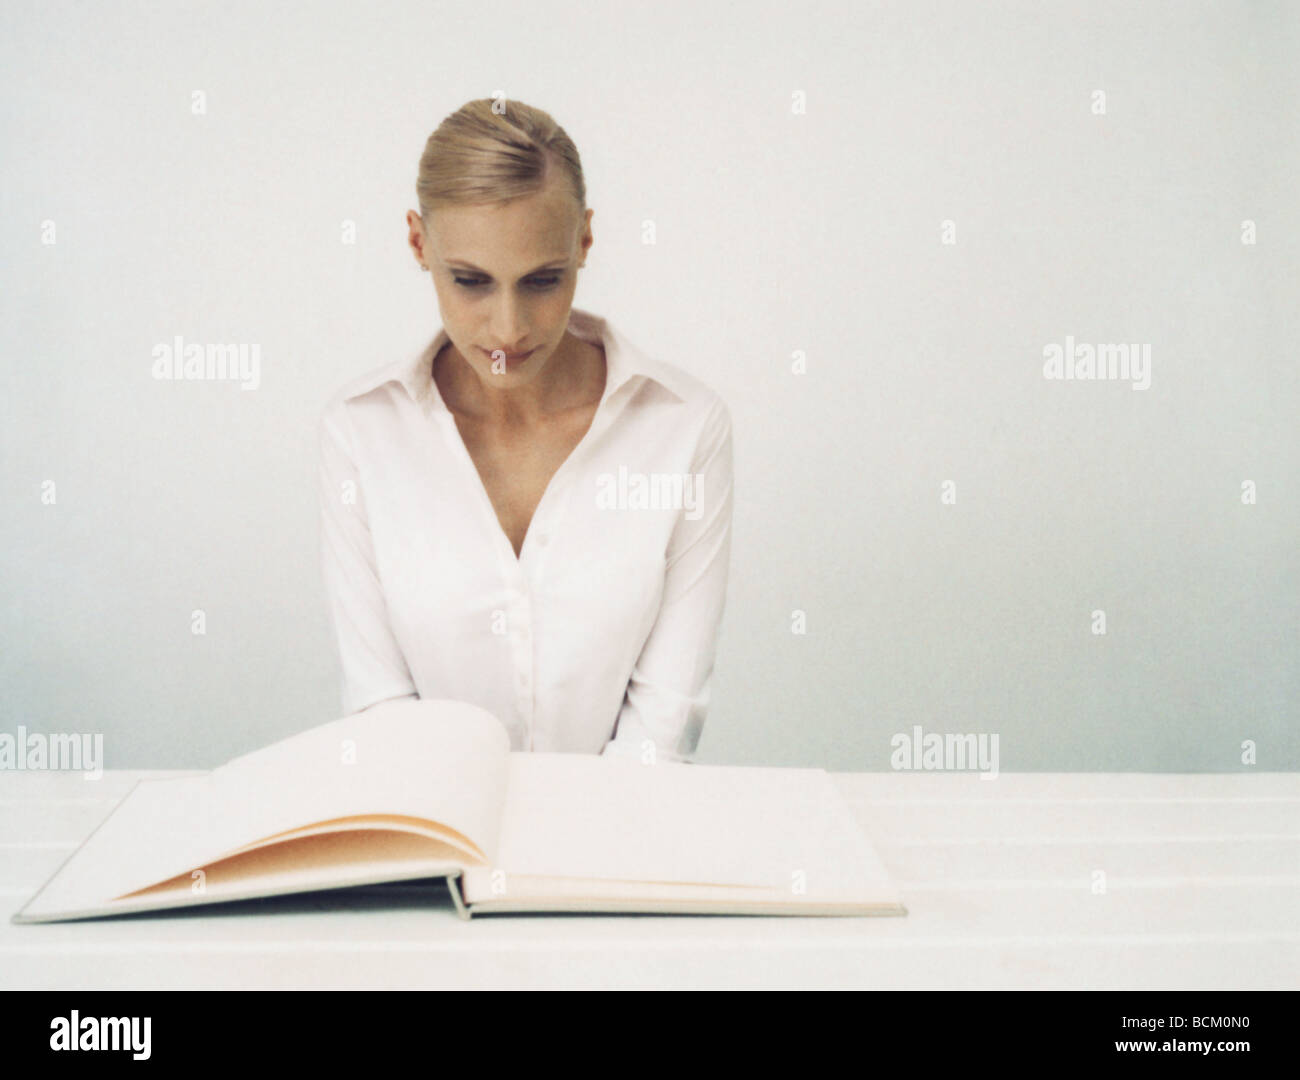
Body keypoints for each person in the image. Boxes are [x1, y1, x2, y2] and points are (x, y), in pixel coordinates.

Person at [318, 98, 733, 763]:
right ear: (418, 244)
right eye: (471, 282)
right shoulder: (361, 432)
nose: (509, 328)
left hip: (620, 839)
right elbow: (381, 713)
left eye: (543, 280)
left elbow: (662, 727)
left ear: (585, 242)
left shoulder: (683, 427)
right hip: (432, 841)